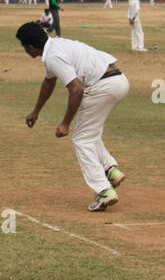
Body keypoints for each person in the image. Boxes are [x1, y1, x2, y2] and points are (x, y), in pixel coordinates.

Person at [16, 22, 129, 212]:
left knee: (81, 138)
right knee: (89, 133)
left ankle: (104, 190)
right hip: (118, 81)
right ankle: (111, 170)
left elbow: (76, 90)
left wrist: (65, 124)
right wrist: (36, 111)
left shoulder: (52, 56)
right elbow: (49, 82)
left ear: (30, 47)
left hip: (103, 85)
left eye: (24, 47)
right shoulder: (56, 45)